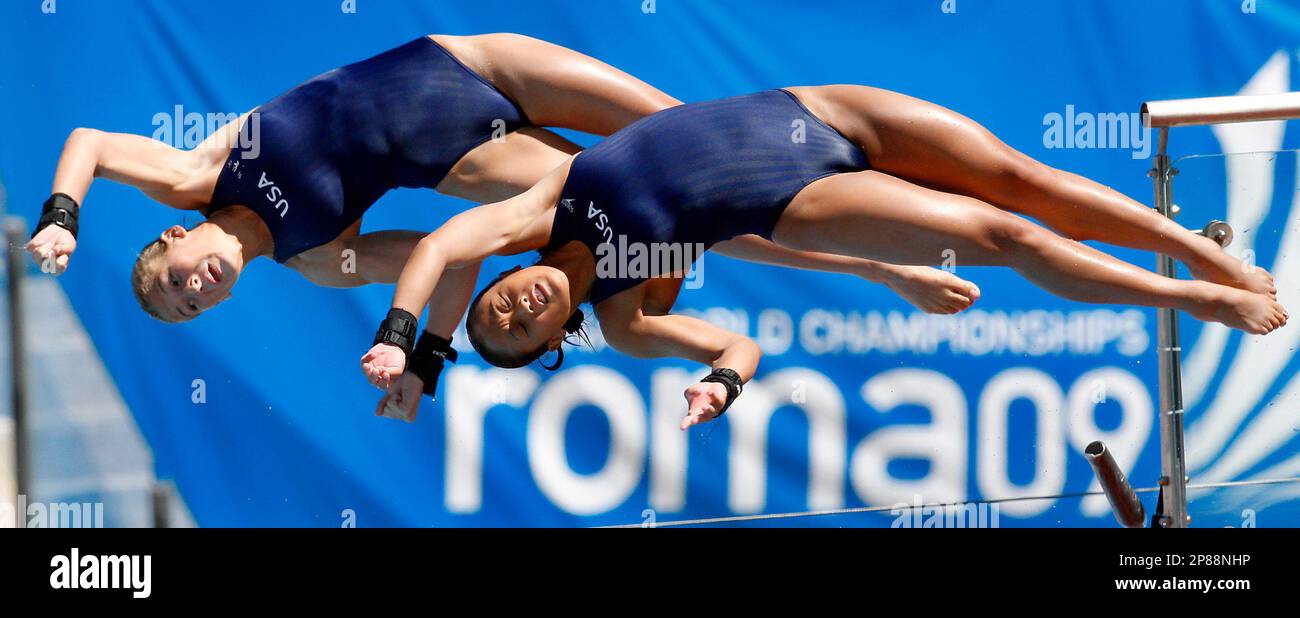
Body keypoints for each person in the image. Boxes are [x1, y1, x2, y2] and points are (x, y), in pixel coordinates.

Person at [26, 35, 976, 412]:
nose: (198, 286)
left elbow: (89, 142)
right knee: (692, 190)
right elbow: (443, 264)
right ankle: (892, 262)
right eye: (193, 307)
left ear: (171, 238)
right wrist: (425, 363)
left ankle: (883, 141)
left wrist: (63, 218)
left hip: (472, 62)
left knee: (701, 122)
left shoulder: (195, 172)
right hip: (469, 162)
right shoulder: (318, 260)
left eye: (176, 276)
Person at [361, 86, 1287, 429]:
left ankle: (1213, 262)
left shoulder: (540, 206)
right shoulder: (626, 313)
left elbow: (443, 244)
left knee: (1021, 176)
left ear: (504, 280)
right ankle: (1192, 298)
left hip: (811, 110)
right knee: (1010, 238)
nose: (517, 307)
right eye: (522, 331)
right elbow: (739, 339)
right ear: (560, 334)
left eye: (497, 306)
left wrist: (413, 348)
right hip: (799, 200)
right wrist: (719, 390)